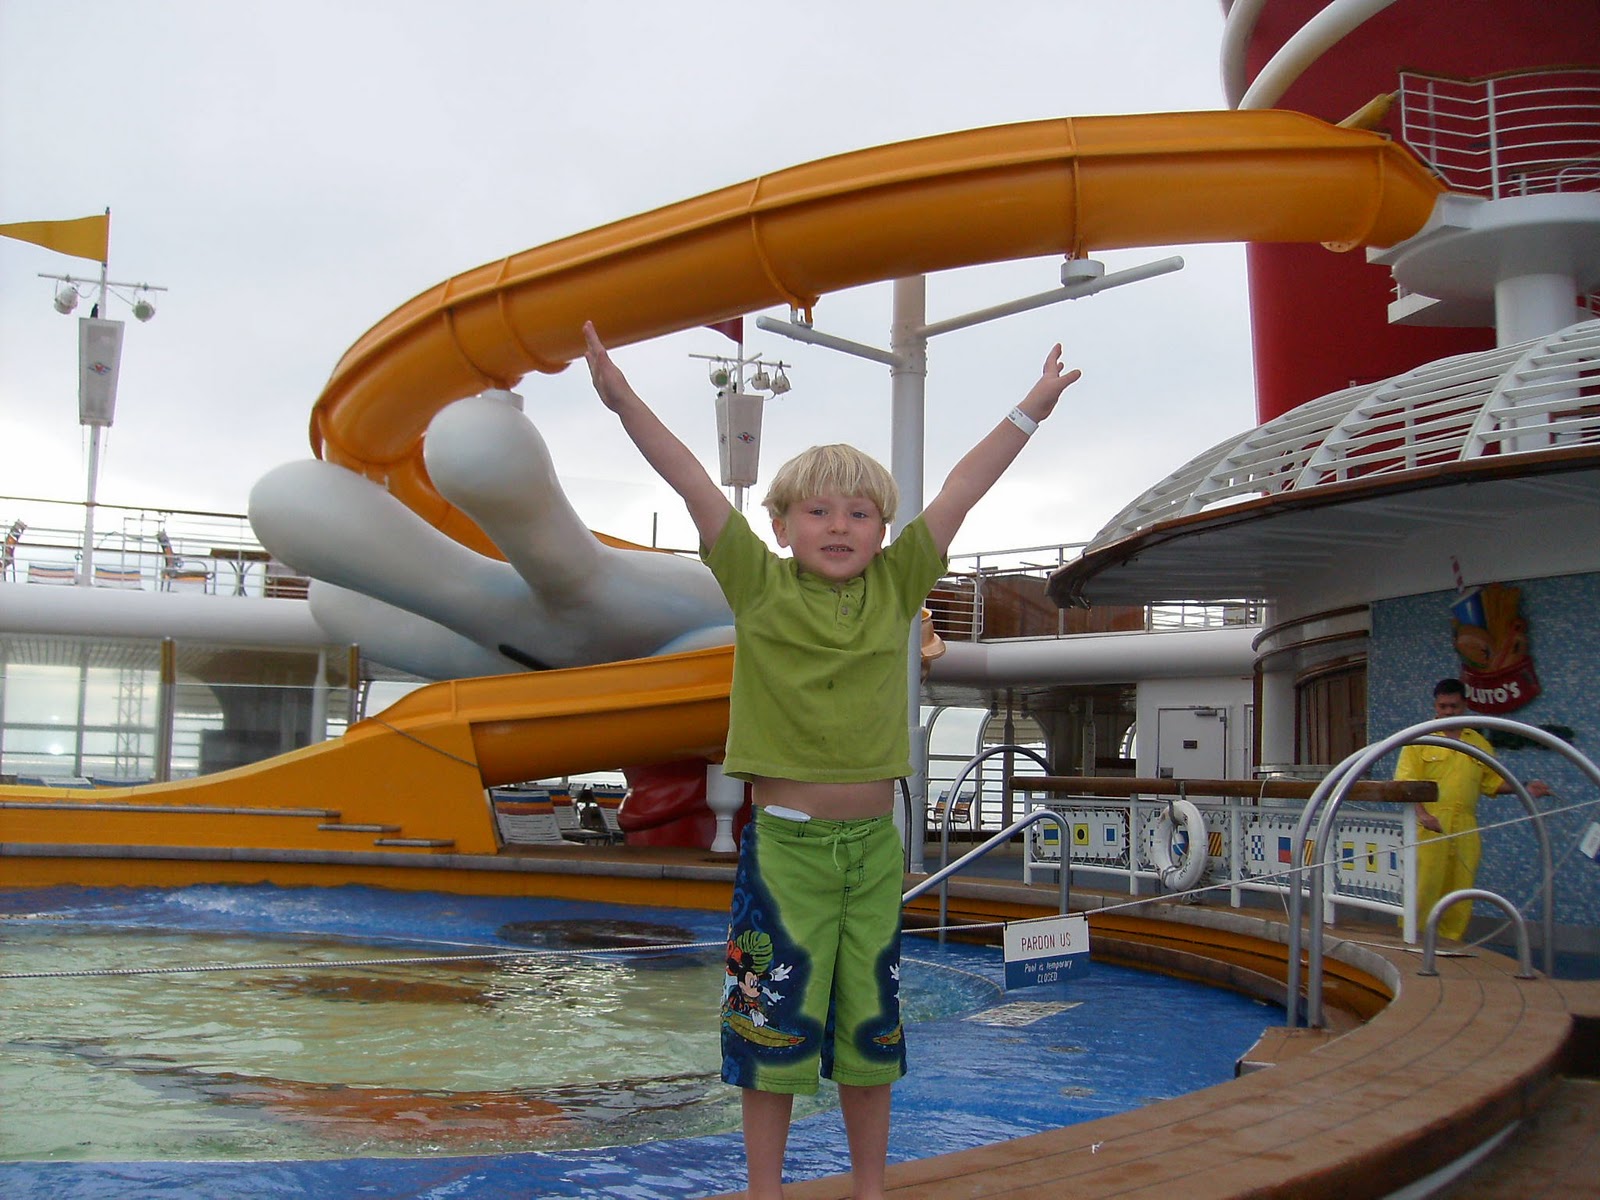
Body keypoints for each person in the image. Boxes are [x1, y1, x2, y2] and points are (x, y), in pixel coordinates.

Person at [583, 320, 1079, 1199]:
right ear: (779, 524)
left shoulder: (898, 587)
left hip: (874, 851)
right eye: (818, 511)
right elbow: (693, 481)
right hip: (786, 853)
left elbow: (964, 488)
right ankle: (766, 1192)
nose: (840, 525)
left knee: (871, 1029)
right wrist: (622, 401)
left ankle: (870, 1186)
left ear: (886, 530)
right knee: (770, 1029)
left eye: (860, 512)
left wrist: (1031, 409)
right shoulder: (756, 582)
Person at [1393, 677, 1549, 942]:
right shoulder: (1420, 738)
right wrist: (1423, 815)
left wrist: (1523, 787)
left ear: (1464, 705)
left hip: (1465, 825)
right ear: (1435, 705)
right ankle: (1412, 940)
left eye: (1454, 706)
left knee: (1461, 886)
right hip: (1430, 825)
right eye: (1443, 706)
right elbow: (1404, 784)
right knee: (1424, 885)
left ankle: (1451, 941)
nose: (1448, 712)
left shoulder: (1477, 742)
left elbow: (1491, 782)